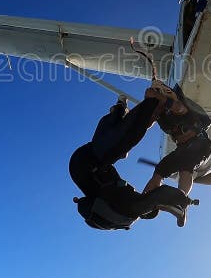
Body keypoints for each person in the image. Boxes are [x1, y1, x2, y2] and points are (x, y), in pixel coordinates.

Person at [69, 85, 192, 230]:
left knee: (123, 139)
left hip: (87, 164)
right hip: (85, 164)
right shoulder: (125, 206)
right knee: (122, 139)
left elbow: (158, 197)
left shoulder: (131, 209)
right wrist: (122, 104)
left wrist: (181, 202)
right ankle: (152, 105)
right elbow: (129, 129)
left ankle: (153, 103)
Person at [142, 83, 211, 226]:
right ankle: (143, 202)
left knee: (186, 167)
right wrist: (148, 107)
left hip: (199, 143)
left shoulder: (176, 105)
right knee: (160, 170)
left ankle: (180, 203)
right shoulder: (162, 115)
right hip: (182, 148)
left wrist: (157, 96)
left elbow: (179, 108)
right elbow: (147, 122)